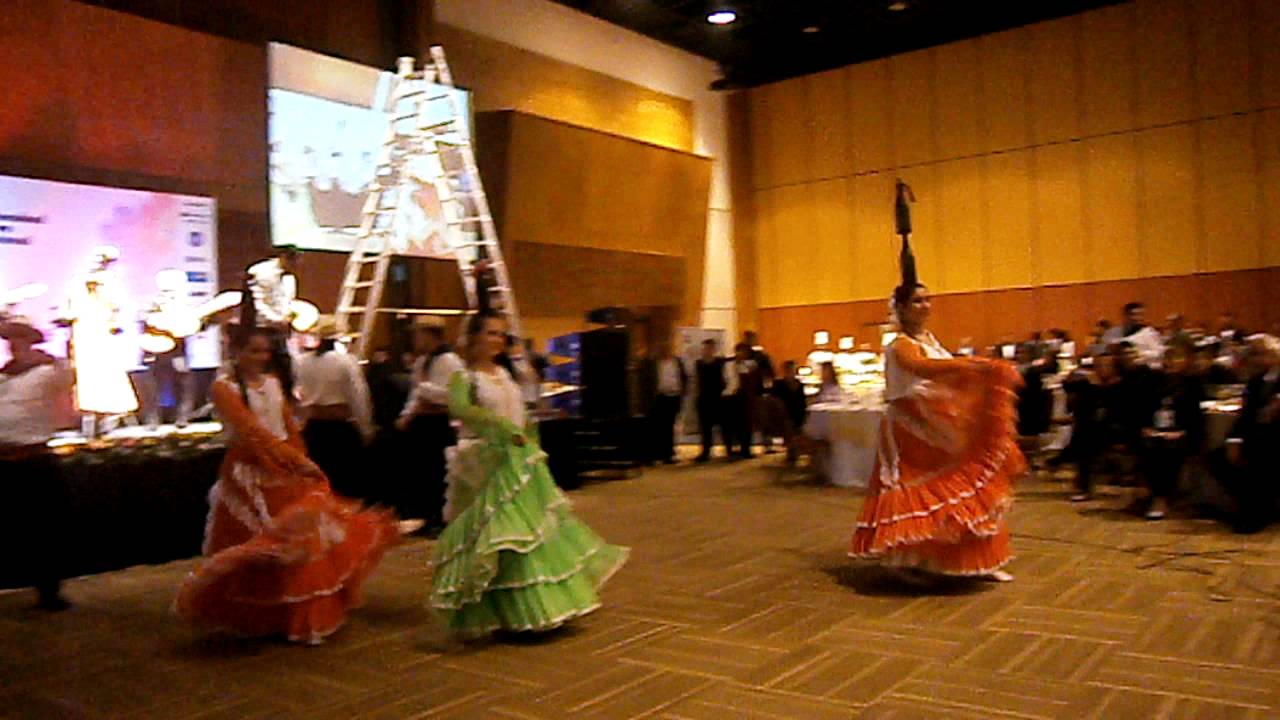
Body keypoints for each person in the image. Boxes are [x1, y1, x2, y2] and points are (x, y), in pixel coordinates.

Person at [174, 326, 398, 644]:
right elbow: (252, 432)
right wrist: (292, 462)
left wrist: (299, 460)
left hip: (283, 468)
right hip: (250, 474)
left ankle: (291, 616)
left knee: (301, 543)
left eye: (265, 351)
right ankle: (260, 617)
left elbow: (286, 427)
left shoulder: (272, 382)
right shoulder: (224, 388)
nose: (261, 358)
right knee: (260, 545)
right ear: (236, 352)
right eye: (254, 351)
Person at [428, 310, 627, 638]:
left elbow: (521, 412)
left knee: (531, 533)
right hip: (486, 462)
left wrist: (529, 437)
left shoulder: (506, 374)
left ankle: (537, 607)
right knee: (500, 535)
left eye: (501, 334)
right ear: (475, 336)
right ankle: (505, 610)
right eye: (491, 333)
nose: (498, 340)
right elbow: (461, 409)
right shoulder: (465, 377)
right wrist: (499, 425)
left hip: (518, 461)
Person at [850, 235, 1024, 584]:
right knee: (921, 494)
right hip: (908, 431)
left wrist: (974, 371)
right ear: (901, 308)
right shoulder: (899, 344)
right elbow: (924, 369)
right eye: (917, 301)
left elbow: (942, 367)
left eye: (928, 299)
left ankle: (974, 559)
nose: (925, 306)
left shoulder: (928, 340)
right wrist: (975, 366)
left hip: (934, 425)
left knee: (964, 485)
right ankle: (907, 560)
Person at [0, 317, 74, 610]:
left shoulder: (47, 372)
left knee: (45, 527)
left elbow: (68, 377)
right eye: (10, 340)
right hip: (3, 459)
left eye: (19, 340)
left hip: (35, 459)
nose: (14, 346)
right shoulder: (3, 376)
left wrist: (53, 359)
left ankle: (48, 591)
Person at [294, 317, 375, 498]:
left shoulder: (302, 362)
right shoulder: (346, 362)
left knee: (317, 482)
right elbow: (359, 397)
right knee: (344, 483)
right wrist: (366, 428)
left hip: (312, 427)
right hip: (340, 429)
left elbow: (296, 395)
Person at [395, 321, 464, 531]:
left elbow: (449, 395)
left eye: (418, 335)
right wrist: (406, 415)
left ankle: (439, 519)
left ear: (430, 335)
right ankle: (424, 517)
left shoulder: (450, 361)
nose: (415, 341)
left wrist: (425, 388)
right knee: (422, 473)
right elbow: (415, 395)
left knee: (438, 473)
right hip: (422, 422)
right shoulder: (423, 361)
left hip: (439, 424)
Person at [66, 246, 139, 427]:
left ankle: (113, 413)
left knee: (109, 373)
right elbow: (70, 307)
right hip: (83, 334)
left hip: (103, 333)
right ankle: (90, 414)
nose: (97, 262)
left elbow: (117, 306)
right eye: (95, 258)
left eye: (102, 259)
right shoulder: (77, 281)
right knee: (87, 377)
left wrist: (101, 293)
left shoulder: (111, 282)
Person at [1138, 343, 1205, 520]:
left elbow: (1196, 417)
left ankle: (1161, 498)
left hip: (1184, 432)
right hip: (1158, 429)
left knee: (1169, 449)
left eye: (1176, 358)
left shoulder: (1192, 384)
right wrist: (1147, 427)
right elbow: (1145, 409)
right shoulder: (1155, 382)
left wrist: (1181, 432)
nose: (1171, 363)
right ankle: (1154, 492)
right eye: (1168, 358)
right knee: (1148, 446)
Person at [647, 340, 687, 464]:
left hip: (674, 397)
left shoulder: (677, 362)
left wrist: (681, 391)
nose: (664, 351)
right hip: (661, 397)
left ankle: (669, 453)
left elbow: (683, 377)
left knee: (670, 425)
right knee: (660, 426)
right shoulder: (655, 363)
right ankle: (659, 453)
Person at [721, 342, 757, 459]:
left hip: (744, 398)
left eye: (744, 352)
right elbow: (723, 381)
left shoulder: (749, 365)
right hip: (729, 397)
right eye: (740, 351)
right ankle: (730, 451)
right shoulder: (727, 365)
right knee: (729, 425)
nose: (742, 354)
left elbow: (753, 382)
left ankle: (745, 450)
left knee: (745, 425)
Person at [770, 360, 808, 465]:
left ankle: (794, 450)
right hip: (783, 413)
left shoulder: (799, 384)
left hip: (797, 413)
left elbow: (802, 401)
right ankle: (792, 450)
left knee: (796, 426)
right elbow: (775, 400)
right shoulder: (779, 384)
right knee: (788, 424)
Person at [694, 339, 725, 462]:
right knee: (705, 427)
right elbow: (696, 381)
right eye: (705, 348)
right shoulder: (699, 364)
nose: (707, 351)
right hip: (703, 397)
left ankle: (728, 448)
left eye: (709, 348)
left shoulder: (720, 363)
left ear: (714, 349)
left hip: (718, 397)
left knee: (723, 425)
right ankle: (706, 451)